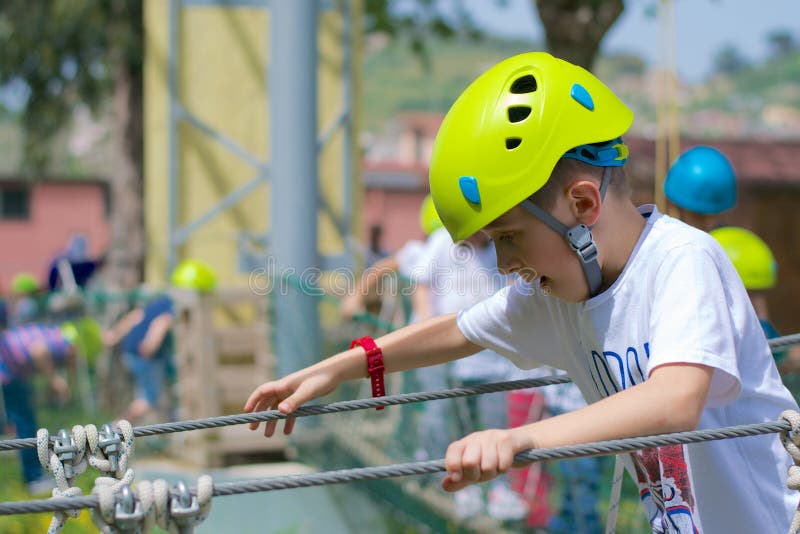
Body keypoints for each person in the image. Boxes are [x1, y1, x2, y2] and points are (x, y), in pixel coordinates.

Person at [244, 52, 798, 532]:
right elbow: (456, 331)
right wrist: (337, 369)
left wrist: (520, 439)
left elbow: (675, 399)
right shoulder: (562, 297)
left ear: (582, 207)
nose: (506, 264)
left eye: (509, 237)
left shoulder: (682, 260)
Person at [709, 226, 800, 370]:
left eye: (759, 294)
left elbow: (786, 354)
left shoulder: (760, 328)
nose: (757, 305)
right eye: (747, 294)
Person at [0, 322, 74, 494]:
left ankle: (33, 476)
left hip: (11, 372)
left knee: (24, 422)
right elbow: (38, 351)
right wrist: (54, 379)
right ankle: (33, 478)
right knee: (25, 425)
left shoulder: (52, 332)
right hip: (7, 373)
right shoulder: (60, 344)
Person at [663, 145, 736, 232]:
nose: (707, 223)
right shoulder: (741, 241)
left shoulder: (666, 241)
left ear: (672, 204)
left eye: (698, 216)